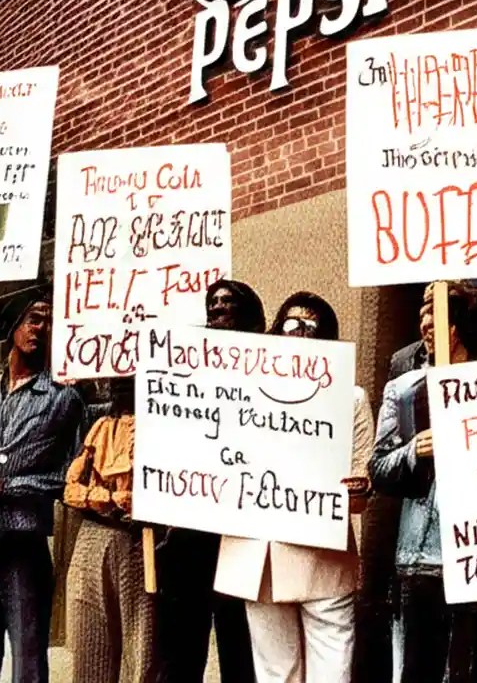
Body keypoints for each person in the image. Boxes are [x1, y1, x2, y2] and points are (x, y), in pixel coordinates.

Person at [213, 292, 375, 683]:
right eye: (290, 324)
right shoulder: (240, 393)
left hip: (321, 553)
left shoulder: (350, 399)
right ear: (275, 331)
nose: (299, 333)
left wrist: (356, 488)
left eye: (311, 327)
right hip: (257, 554)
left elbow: (360, 492)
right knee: (274, 673)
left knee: (332, 669)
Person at [370, 281, 477, 682]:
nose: (428, 324)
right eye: (424, 314)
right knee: (419, 668)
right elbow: (378, 469)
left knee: (473, 668)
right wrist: (413, 452)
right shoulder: (402, 389)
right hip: (421, 555)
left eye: (441, 316)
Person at [0, 292, 84, 683]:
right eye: (34, 319)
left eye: (49, 322)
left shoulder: (63, 396)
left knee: (28, 652)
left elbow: (70, 473)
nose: (41, 328)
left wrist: (9, 487)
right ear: (14, 325)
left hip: (24, 540)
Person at [153, 280, 261, 683]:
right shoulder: (183, 367)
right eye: (211, 302)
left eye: (227, 301)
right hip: (190, 534)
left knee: (240, 650)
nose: (217, 308)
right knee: (181, 651)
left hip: (243, 535)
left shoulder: (273, 367)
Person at [62, 377, 158, 682]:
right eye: (119, 384)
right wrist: (104, 497)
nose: (122, 391)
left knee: (142, 652)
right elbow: (70, 488)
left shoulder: (165, 426)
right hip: (95, 532)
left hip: (142, 541)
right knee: (90, 643)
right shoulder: (101, 427)